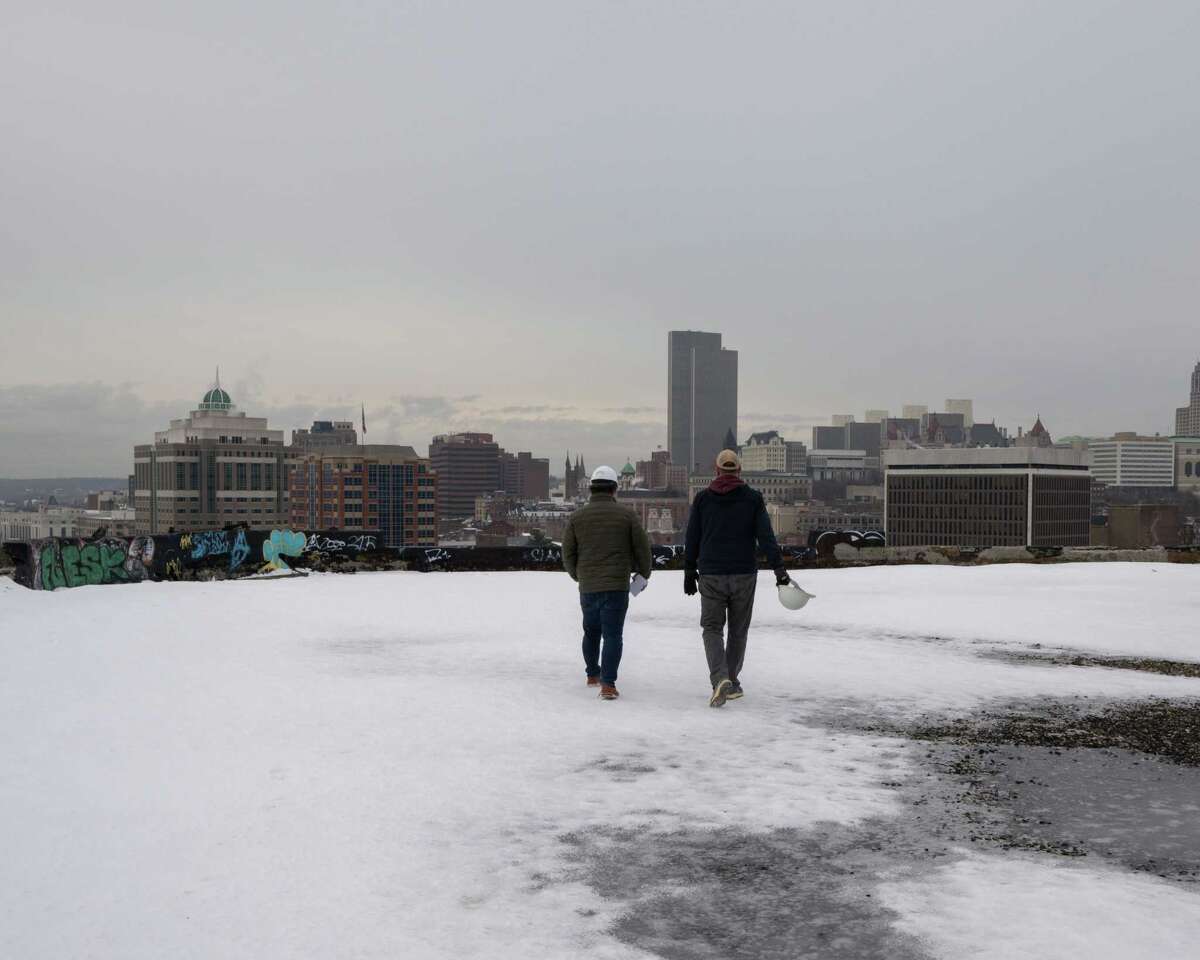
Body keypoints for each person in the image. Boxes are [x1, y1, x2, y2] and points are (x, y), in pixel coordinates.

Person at [684, 449, 790, 707]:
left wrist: (689, 571)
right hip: (744, 573)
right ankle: (731, 678)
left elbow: (692, 537)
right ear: (739, 471)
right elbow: (766, 537)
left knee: (711, 628)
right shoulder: (753, 499)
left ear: (716, 470)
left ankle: (720, 678)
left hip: (711, 574)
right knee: (738, 630)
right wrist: (779, 571)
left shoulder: (703, 499)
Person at [562, 465, 653, 700]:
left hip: (588, 585)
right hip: (616, 586)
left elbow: (568, 553)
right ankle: (608, 685)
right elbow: (642, 550)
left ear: (591, 489)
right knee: (612, 635)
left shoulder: (577, 517)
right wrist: (643, 575)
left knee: (591, 632)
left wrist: (577, 575)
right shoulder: (627, 516)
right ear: (614, 489)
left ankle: (592, 674)